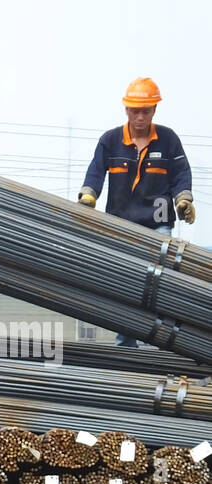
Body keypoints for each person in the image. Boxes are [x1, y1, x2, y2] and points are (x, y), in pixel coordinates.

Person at [78, 77, 194, 347]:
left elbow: (181, 174)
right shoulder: (110, 140)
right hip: (121, 223)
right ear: (126, 110)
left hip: (158, 221)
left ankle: (157, 344)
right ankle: (126, 346)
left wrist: (184, 199)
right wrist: (88, 195)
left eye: (146, 111)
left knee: (160, 285)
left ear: (154, 110)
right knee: (126, 285)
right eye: (135, 110)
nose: (140, 116)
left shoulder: (168, 139)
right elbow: (95, 171)